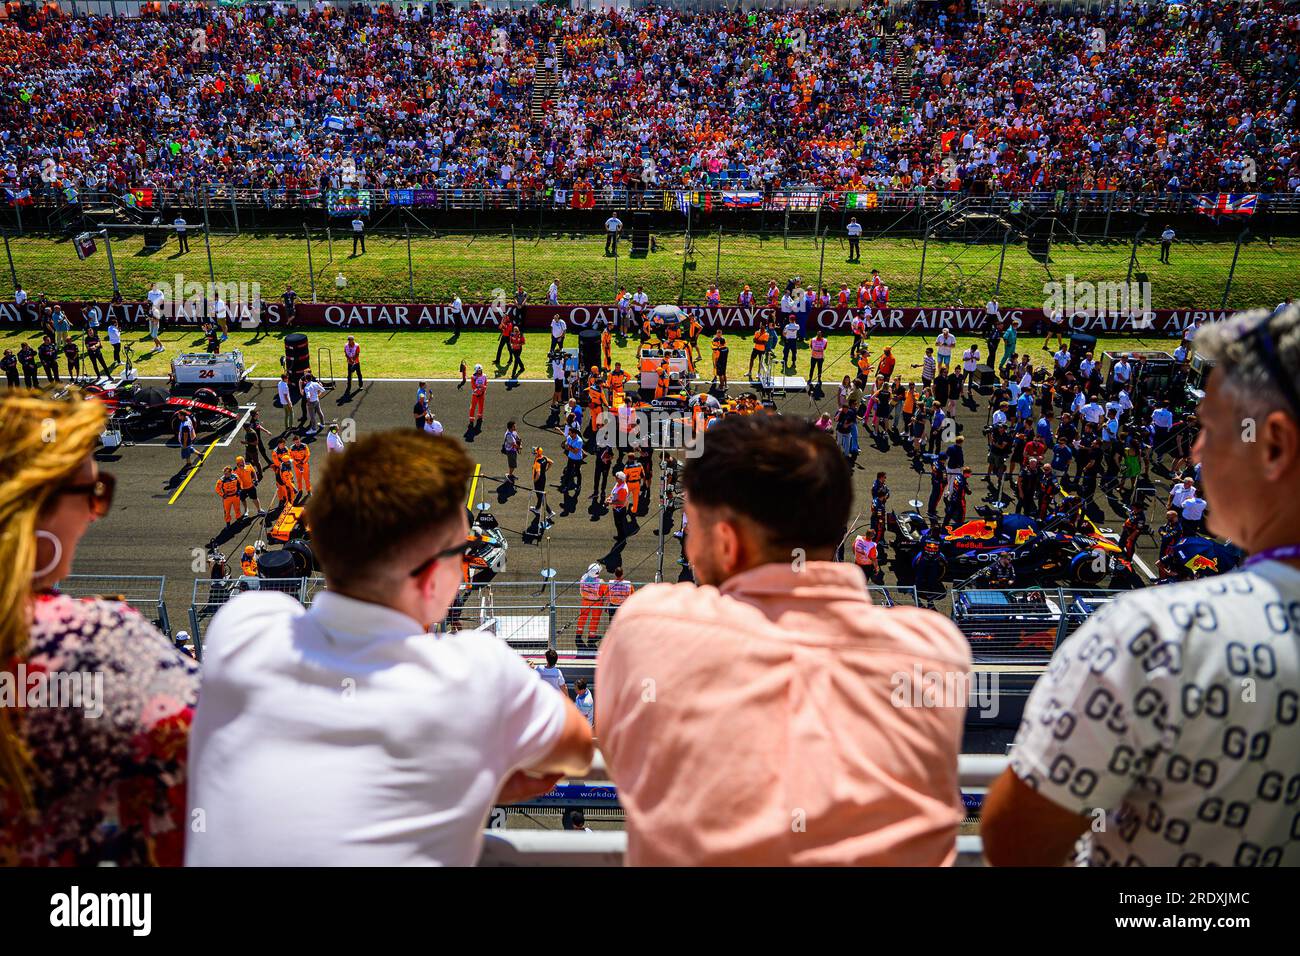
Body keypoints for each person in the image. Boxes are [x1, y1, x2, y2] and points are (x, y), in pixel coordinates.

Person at [983, 302, 1300, 867]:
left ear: (1274, 445)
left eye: (1208, 428)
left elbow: (1016, 840)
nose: (1196, 451)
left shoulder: (1155, 635)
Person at [186, 431, 594, 865]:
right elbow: (576, 750)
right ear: (431, 572)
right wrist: (477, 782)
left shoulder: (243, 629)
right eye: (459, 552)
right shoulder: (477, 668)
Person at [597, 416, 970, 865]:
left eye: (691, 528)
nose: (688, 545)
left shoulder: (648, 624)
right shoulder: (932, 649)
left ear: (727, 542)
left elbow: (623, 759)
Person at [0, 390, 199, 865]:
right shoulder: (98, 638)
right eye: (93, 491)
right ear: (35, 506)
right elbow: (220, 752)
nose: (94, 511)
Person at [575, 563, 608, 651]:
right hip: (596, 603)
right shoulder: (601, 582)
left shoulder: (583, 578)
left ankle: (578, 635)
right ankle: (591, 637)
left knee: (582, 617)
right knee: (595, 619)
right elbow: (606, 593)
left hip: (585, 600)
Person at [530, 447, 556, 521]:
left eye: (535, 453)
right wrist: (546, 469)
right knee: (539, 495)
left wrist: (534, 481)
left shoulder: (538, 462)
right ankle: (537, 508)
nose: (534, 454)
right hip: (543, 478)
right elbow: (551, 462)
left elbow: (538, 474)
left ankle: (550, 512)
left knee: (540, 496)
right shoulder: (544, 457)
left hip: (538, 481)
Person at [467, 364, 487, 429]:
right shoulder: (473, 377)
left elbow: (485, 384)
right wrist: (477, 391)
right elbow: (473, 386)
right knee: (473, 407)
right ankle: (471, 420)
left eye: (480, 370)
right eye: (478, 370)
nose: (479, 371)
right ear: (476, 370)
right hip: (475, 394)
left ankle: (480, 417)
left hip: (482, 394)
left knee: (481, 406)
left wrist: (483, 388)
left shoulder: (484, 376)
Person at [502, 420, 521, 484]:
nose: (515, 427)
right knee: (512, 465)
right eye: (514, 426)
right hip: (510, 451)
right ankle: (509, 475)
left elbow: (518, 438)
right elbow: (514, 444)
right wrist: (519, 447)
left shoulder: (513, 431)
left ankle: (510, 474)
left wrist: (520, 443)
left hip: (513, 450)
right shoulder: (509, 435)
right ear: (510, 428)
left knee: (513, 464)